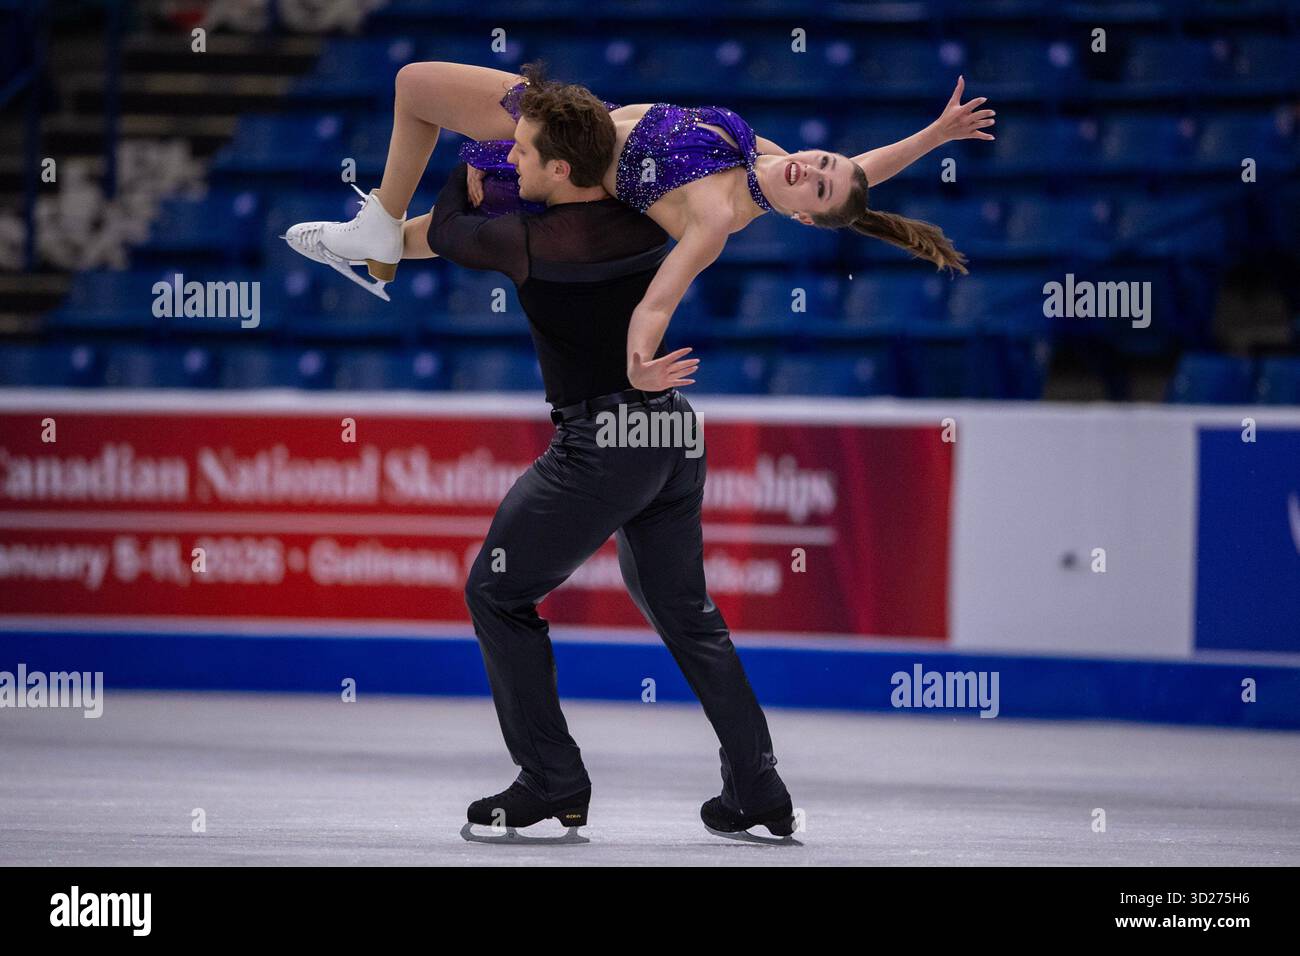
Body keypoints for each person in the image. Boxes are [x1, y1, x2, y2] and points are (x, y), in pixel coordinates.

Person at [418, 71, 796, 839]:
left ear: (561, 172)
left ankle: (552, 777)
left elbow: (445, 228)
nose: (514, 161)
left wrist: (469, 172)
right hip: (669, 431)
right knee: (687, 614)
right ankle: (757, 786)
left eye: (525, 154)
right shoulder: (650, 216)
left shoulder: (530, 241)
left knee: (495, 592)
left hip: (604, 442)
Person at [285, 61, 995, 390]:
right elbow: (859, 179)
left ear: (805, 215)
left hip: (577, 154)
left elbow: (660, 300)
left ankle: (377, 238)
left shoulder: (717, 219)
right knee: (414, 86)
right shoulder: (769, 156)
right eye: (822, 160)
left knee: (425, 113)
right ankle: (376, 234)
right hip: (585, 111)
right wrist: (934, 135)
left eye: (815, 183)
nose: (809, 167)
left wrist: (639, 366)